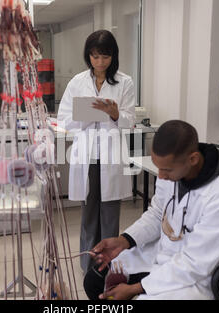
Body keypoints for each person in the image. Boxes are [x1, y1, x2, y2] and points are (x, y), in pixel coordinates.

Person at [83, 120, 219, 300]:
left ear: (193, 159)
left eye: (166, 170)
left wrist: (136, 289)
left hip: (206, 277)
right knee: (94, 281)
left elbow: (196, 265)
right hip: (166, 256)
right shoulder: (175, 173)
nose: (160, 176)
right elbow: (157, 214)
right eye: (158, 168)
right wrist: (124, 241)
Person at [57, 30, 136, 274]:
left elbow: (130, 120)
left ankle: (109, 264)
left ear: (113, 56)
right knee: (89, 211)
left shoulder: (125, 82)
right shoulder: (77, 82)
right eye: (95, 57)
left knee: (110, 211)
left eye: (105, 57)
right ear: (88, 56)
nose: (100, 62)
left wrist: (114, 114)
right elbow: (63, 119)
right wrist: (87, 116)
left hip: (111, 154)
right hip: (87, 154)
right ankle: (89, 263)